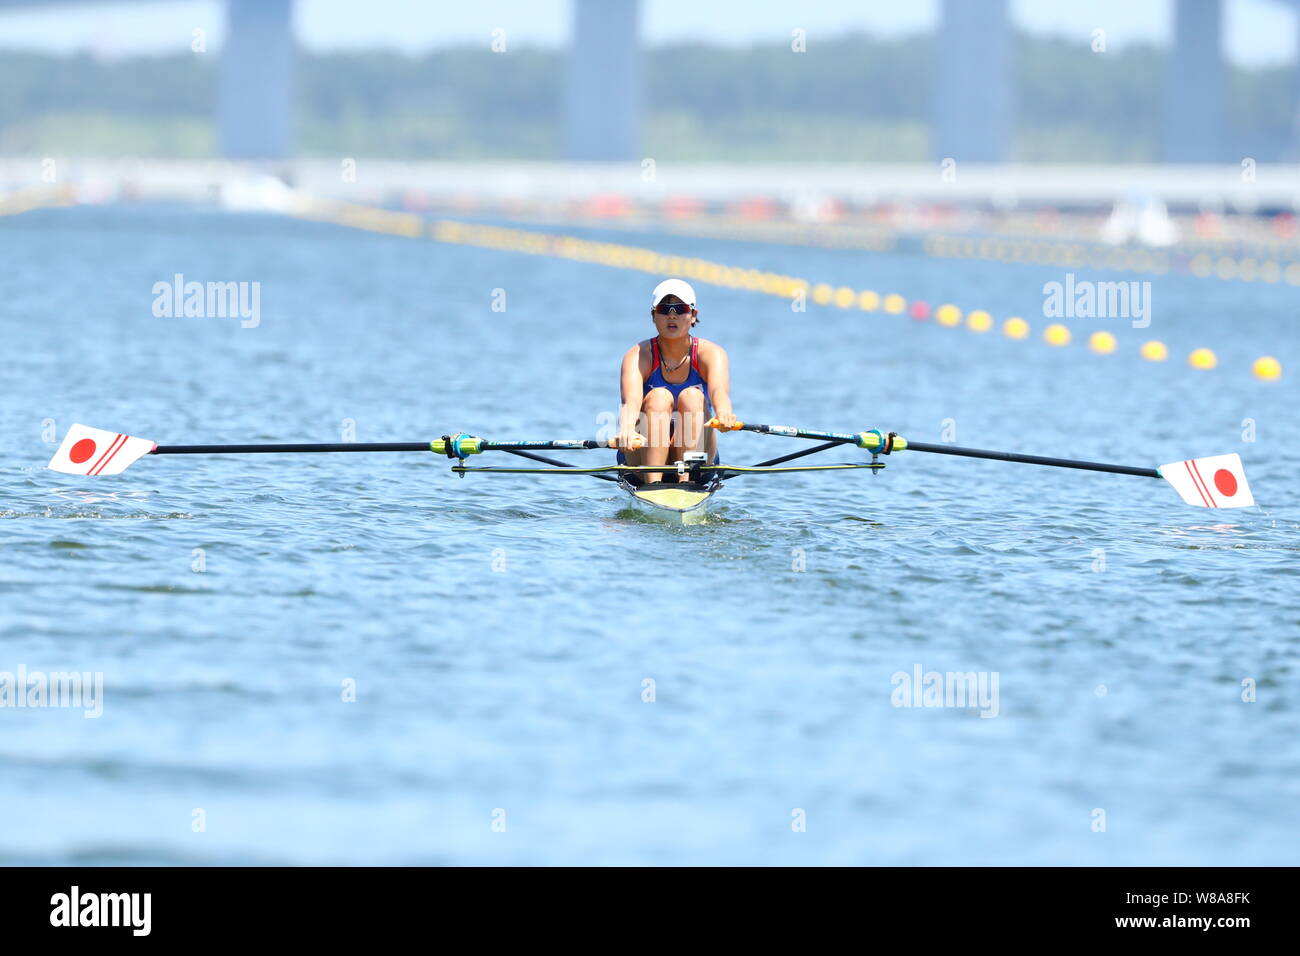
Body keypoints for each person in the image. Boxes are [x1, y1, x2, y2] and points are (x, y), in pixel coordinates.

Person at [616, 279, 736, 484]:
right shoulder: (638, 355)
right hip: (642, 457)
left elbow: (719, 392)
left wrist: (724, 413)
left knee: (692, 396)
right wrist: (626, 429)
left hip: (698, 454)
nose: (672, 315)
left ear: (693, 315)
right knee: (659, 397)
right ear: (653, 316)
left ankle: (686, 481)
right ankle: (653, 485)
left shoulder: (712, 354)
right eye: (664, 309)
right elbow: (632, 402)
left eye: (680, 308)